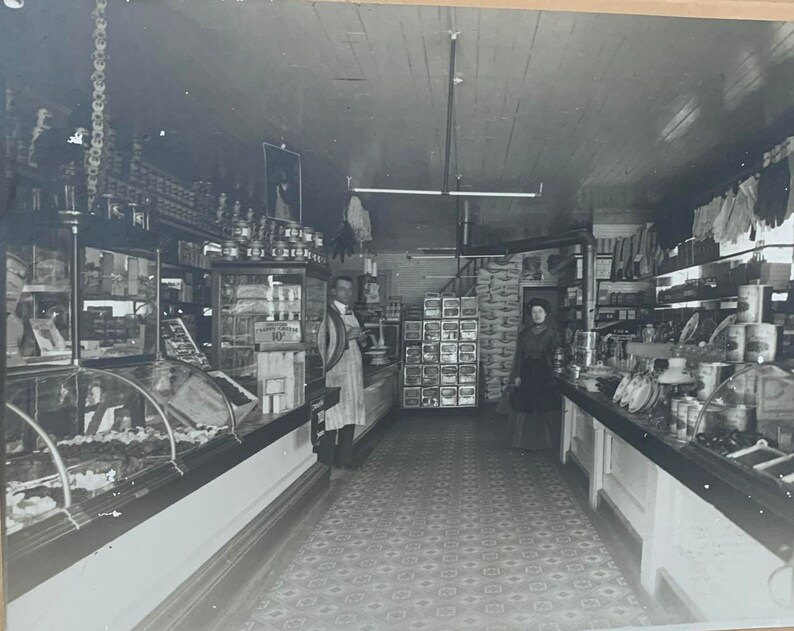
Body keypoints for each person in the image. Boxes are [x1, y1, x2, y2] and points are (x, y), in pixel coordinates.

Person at [320, 276, 366, 469]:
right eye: (342, 289)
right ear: (333, 291)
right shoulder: (327, 316)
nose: (347, 293)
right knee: (332, 419)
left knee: (350, 418)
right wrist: (345, 338)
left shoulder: (352, 313)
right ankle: (326, 462)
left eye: (349, 289)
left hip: (353, 374)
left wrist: (361, 339)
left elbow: (359, 343)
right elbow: (322, 346)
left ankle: (345, 458)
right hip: (335, 375)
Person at [504, 297, 562, 451]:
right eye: (534, 312)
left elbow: (557, 356)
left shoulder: (553, 334)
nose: (537, 314)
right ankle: (523, 443)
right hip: (527, 371)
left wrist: (554, 375)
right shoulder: (524, 334)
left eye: (540, 311)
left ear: (546, 314)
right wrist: (516, 376)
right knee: (524, 406)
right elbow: (519, 356)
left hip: (544, 373)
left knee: (542, 406)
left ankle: (543, 444)